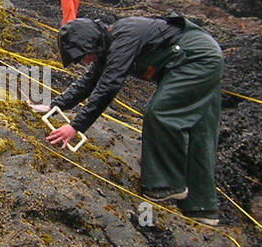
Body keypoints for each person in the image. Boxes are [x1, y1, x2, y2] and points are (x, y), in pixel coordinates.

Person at [32, 14, 224, 225]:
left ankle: (166, 186)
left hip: (197, 57)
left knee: (160, 113)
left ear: (92, 42)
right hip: (197, 56)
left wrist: (75, 126)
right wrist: (54, 105)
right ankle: (202, 208)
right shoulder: (108, 45)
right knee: (199, 130)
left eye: (84, 56)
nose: (84, 62)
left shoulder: (124, 36)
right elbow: (89, 82)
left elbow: (109, 85)